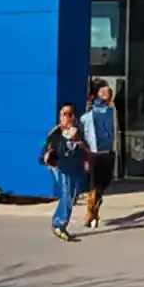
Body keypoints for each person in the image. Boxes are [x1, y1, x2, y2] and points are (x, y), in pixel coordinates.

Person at [42, 102, 89, 241]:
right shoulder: (56, 132)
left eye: (70, 114)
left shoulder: (78, 131)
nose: (67, 117)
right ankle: (59, 223)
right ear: (60, 117)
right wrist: (47, 157)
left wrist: (86, 159)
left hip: (74, 167)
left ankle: (59, 221)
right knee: (67, 194)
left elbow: (83, 148)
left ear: (74, 116)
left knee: (72, 195)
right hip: (61, 166)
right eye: (64, 114)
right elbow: (47, 150)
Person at [81, 80, 117, 229]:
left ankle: (94, 209)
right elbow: (84, 133)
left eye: (109, 92)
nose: (107, 95)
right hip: (94, 152)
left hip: (108, 151)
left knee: (103, 185)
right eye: (104, 92)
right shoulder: (90, 112)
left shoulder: (111, 110)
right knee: (94, 186)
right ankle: (91, 213)